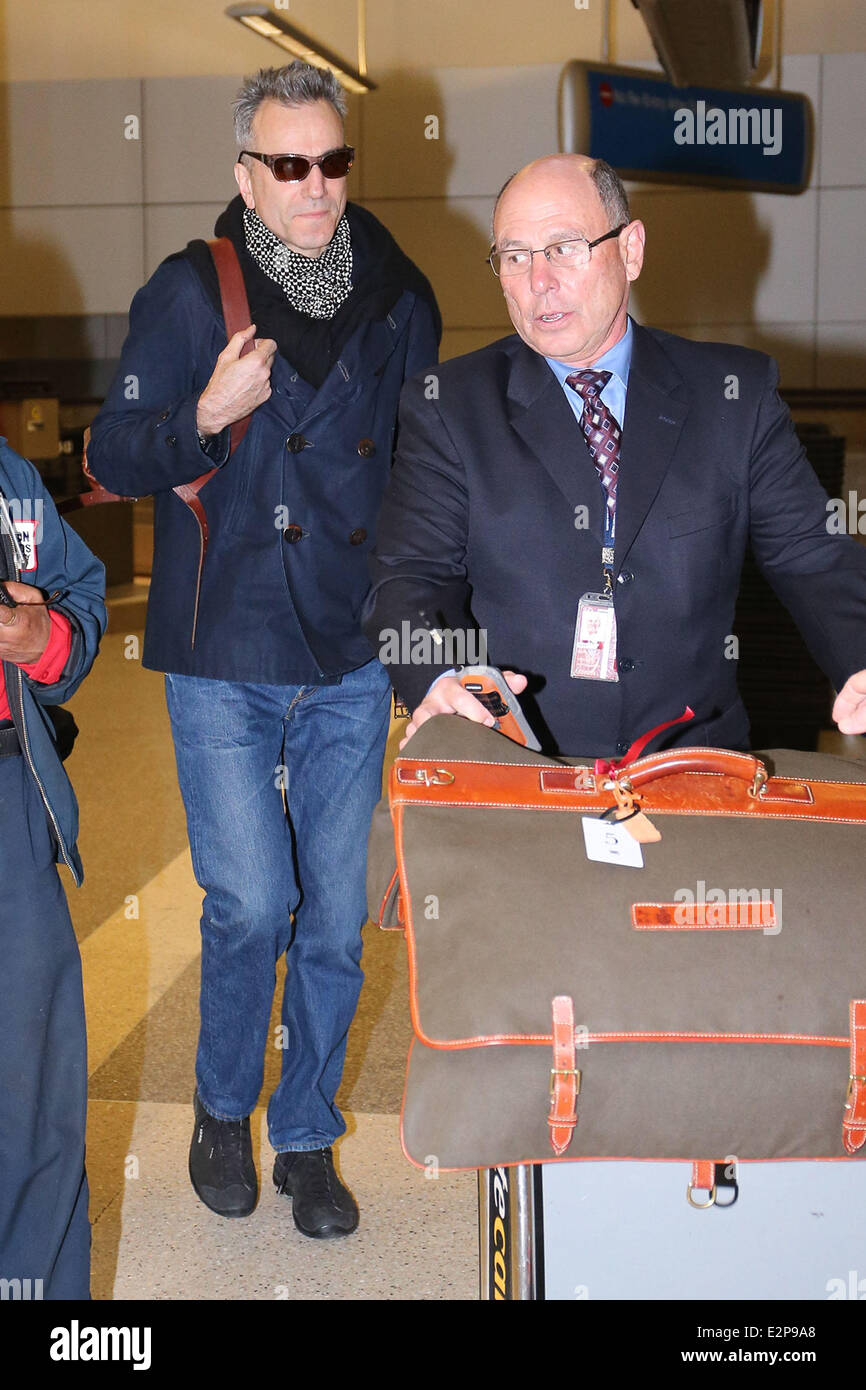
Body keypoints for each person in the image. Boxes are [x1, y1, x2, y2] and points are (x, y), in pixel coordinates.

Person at [87, 62, 440, 1238]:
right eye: (288, 165)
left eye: (332, 162)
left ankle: (303, 1137)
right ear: (246, 174)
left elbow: (424, 475)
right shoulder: (192, 292)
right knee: (250, 904)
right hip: (223, 648)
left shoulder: (399, 295)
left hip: (346, 654)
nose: (315, 186)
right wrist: (200, 416)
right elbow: (112, 450)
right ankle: (218, 1110)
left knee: (333, 919)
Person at [364, 154, 866, 752]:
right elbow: (410, 578)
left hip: (693, 767)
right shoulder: (449, 405)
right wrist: (440, 676)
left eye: (565, 247)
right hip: (520, 766)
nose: (538, 280)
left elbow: (811, 553)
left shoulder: (733, 396)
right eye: (515, 256)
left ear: (630, 250)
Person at [0, 442, 106, 1299]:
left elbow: (79, 596)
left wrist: (44, 638)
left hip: (8, 797)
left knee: (32, 1085)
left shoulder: (8, 479)